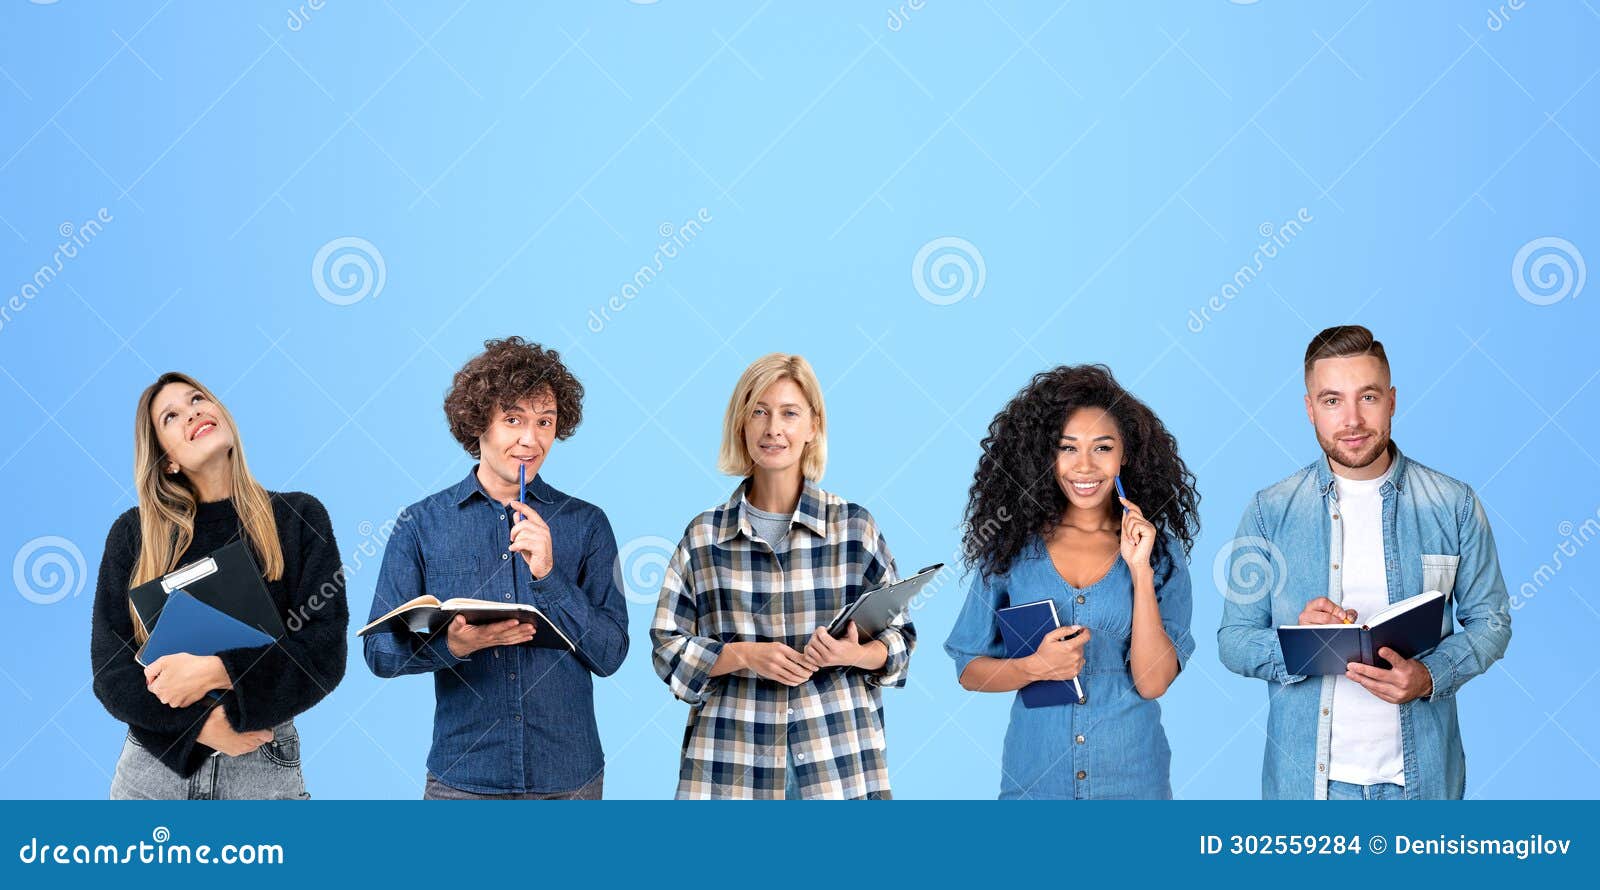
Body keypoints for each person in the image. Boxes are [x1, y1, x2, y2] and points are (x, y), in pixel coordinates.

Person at [1218, 325, 1512, 800]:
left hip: (1422, 787)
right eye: (1332, 401)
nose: (1352, 420)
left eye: (1368, 397)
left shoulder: (1453, 504)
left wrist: (1431, 675)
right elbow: (1232, 642)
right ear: (1309, 409)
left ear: (1392, 401)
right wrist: (1298, 643)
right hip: (1309, 792)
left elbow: (1491, 621)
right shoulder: (1269, 511)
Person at [363, 337, 628, 799]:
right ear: (477, 423)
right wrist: (451, 645)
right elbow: (380, 653)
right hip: (462, 782)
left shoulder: (588, 524)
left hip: (569, 780)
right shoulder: (420, 524)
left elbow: (611, 655)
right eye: (513, 420)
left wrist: (549, 576)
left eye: (545, 422)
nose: (531, 439)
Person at [651, 353, 915, 799]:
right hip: (730, 767)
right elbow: (667, 648)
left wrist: (852, 654)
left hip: (839, 767)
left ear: (812, 427)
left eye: (790, 413)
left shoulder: (854, 528)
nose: (774, 428)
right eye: (759, 411)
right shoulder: (704, 536)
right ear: (742, 425)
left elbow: (901, 643)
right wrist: (745, 656)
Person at [944, 364, 1198, 799]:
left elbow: (1153, 682)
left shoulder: (1159, 553)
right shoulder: (1008, 550)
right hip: (1036, 783)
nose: (1084, 466)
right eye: (1068, 448)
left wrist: (1138, 568)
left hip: (1132, 783)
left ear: (1125, 456)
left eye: (1102, 448)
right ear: (1047, 456)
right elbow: (969, 669)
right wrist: (1033, 668)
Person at [92, 372, 347, 799]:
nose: (192, 412)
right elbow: (111, 670)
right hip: (153, 772)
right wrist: (199, 729)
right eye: (171, 416)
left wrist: (219, 669)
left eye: (197, 399)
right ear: (167, 460)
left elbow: (323, 653)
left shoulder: (299, 518)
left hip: (259, 768)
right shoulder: (133, 534)